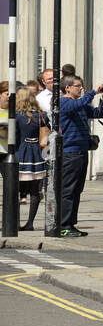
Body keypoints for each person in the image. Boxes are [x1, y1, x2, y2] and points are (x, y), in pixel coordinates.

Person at [58, 75, 103, 237]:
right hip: (70, 153)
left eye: (81, 86)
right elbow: (78, 104)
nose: (81, 88)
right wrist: (93, 92)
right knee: (69, 190)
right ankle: (63, 225)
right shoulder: (64, 102)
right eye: (77, 86)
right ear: (67, 88)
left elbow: (97, 113)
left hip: (81, 151)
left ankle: (71, 224)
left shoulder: (79, 104)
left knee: (77, 190)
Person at [13, 88, 48, 230]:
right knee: (35, 191)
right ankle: (30, 223)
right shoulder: (41, 115)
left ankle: (15, 222)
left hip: (21, 153)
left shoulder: (16, 116)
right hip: (37, 154)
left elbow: (13, 137)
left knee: (14, 190)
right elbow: (47, 134)